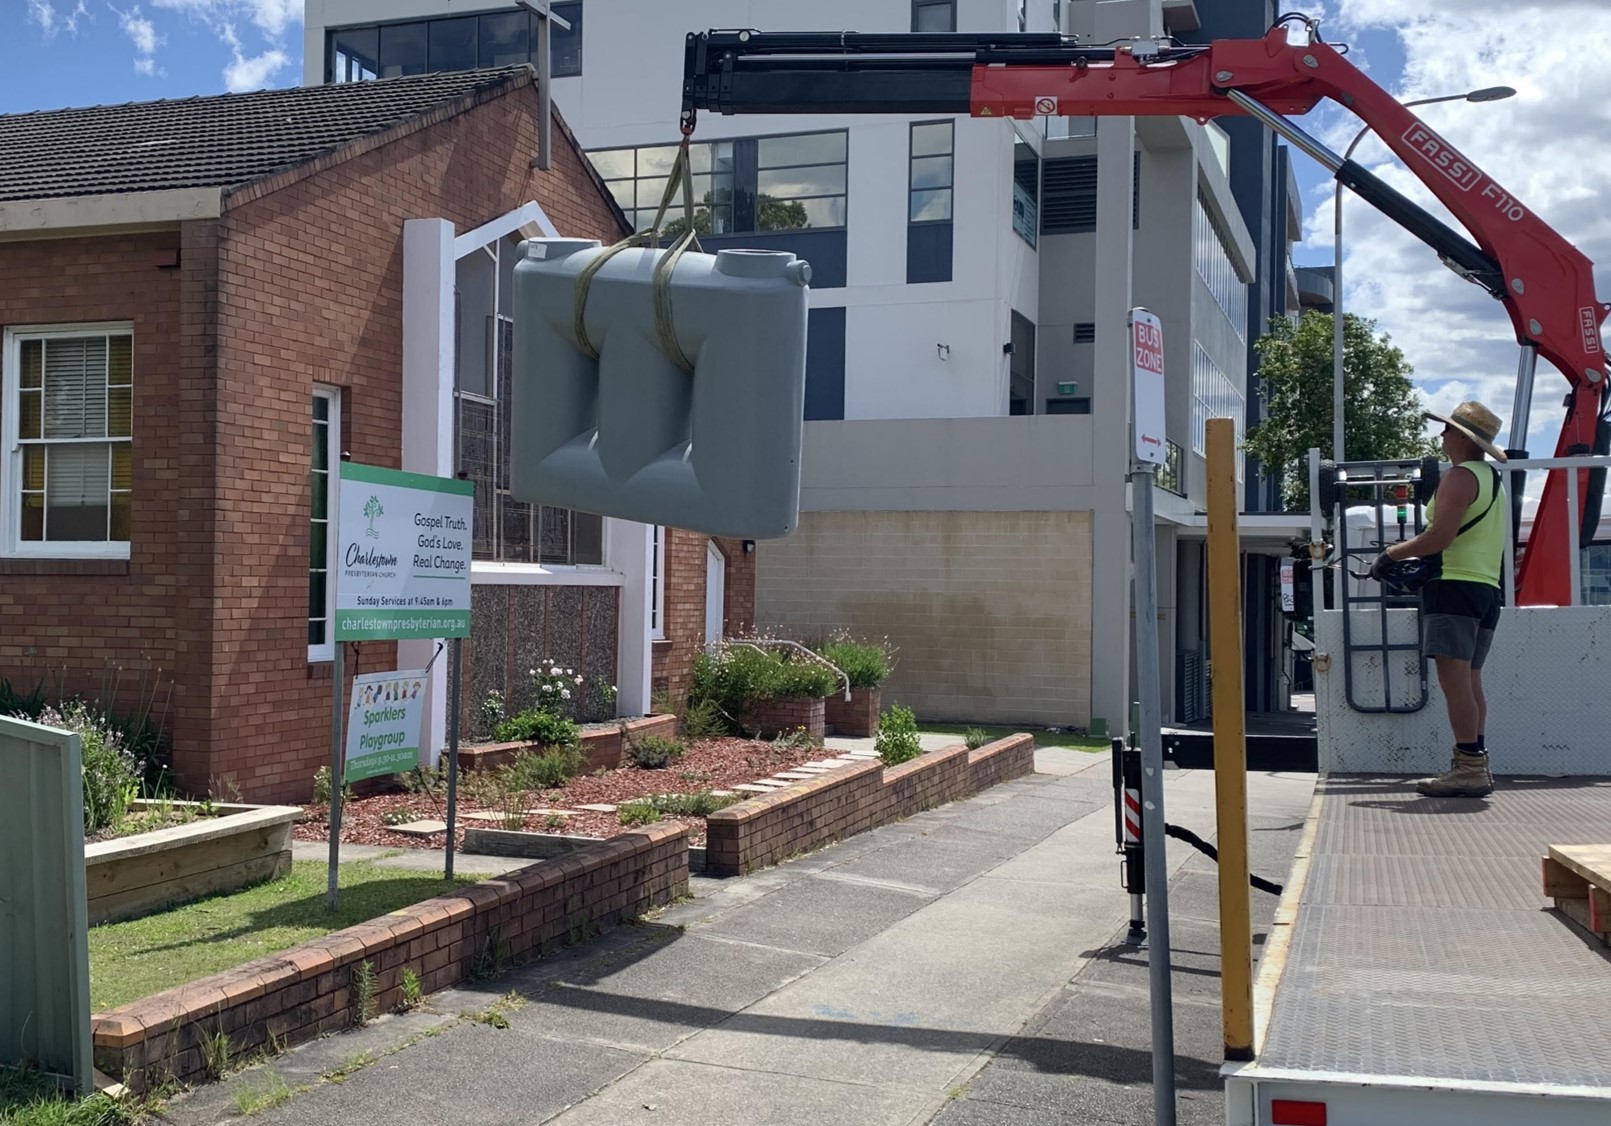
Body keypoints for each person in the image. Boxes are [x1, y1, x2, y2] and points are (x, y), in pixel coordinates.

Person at [1369, 400, 1508, 798]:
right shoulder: (1491, 480)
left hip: (1454, 588)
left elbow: (1438, 538)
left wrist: (1390, 555)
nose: (1441, 435)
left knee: (1455, 685)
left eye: (1447, 430)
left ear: (1462, 437)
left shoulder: (1459, 477)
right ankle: (1476, 763)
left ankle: (1468, 769)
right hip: (1485, 588)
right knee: (1471, 682)